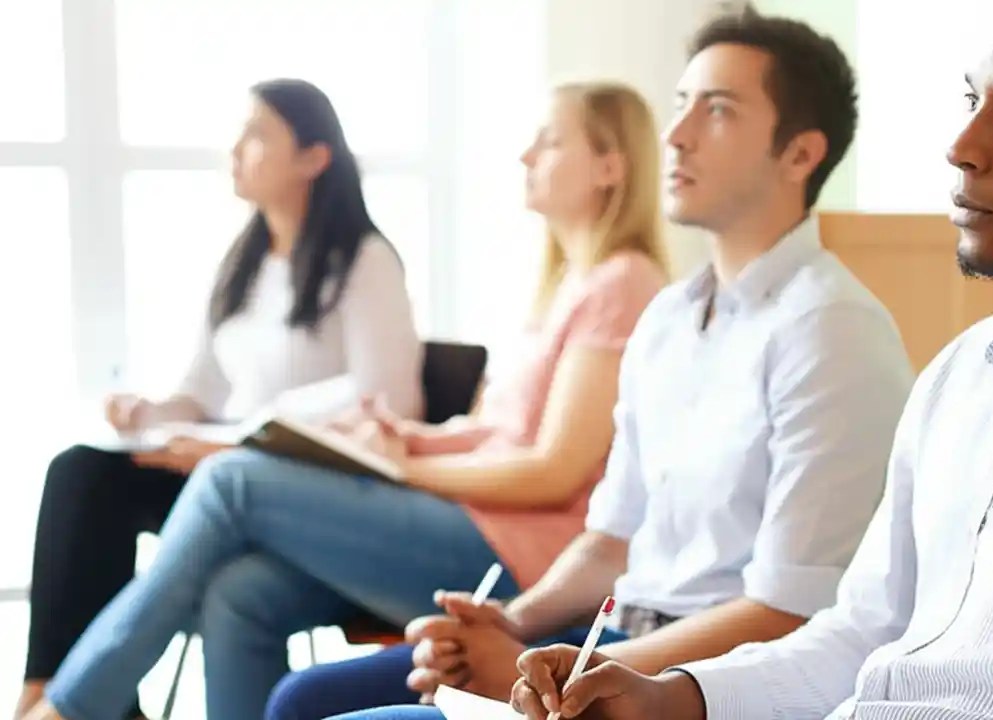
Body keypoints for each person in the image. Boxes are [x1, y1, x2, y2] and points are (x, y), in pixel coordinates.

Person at [504, 0, 993, 718]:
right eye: (973, 100)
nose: (963, 147)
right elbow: (863, 635)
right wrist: (670, 697)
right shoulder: (965, 373)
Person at [286, 9, 916, 720]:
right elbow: (609, 543)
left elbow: (788, 613)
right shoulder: (670, 317)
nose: (676, 135)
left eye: (717, 110)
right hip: (613, 640)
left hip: (700, 676)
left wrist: (556, 669)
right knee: (302, 698)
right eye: (680, 104)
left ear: (800, 154)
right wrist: (510, 625)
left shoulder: (832, 330)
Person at [20, 80, 669, 720]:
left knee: (230, 480)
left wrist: (402, 469)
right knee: (239, 593)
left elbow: (555, 469)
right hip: (474, 521)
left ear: (610, 167)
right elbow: (497, 433)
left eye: (549, 142)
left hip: (526, 556)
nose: (526, 155)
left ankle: (69, 708)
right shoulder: (564, 285)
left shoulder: (623, 283)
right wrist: (407, 439)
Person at [14, 77, 423, 720]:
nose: (236, 149)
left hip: (294, 485)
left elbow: (389, 397)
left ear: (314, 158)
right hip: (223, 463)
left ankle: (72, 704)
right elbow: (203, 390)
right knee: (83, 470)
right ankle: (47, 688)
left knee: (220, 509)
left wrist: (236, 441)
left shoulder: (365, 260)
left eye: (258, 134)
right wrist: (150, 414)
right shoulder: (244, 263)